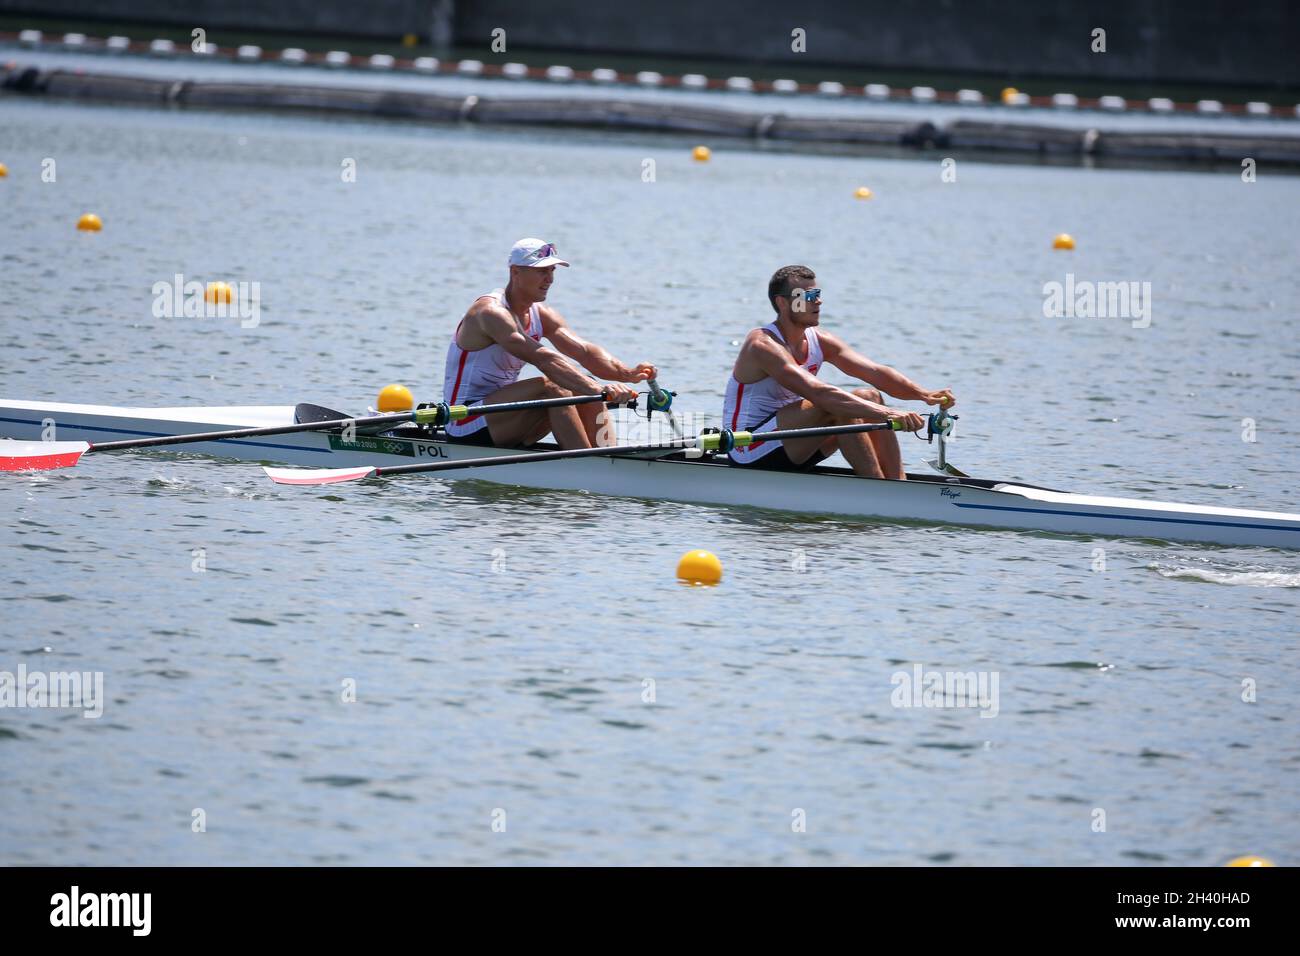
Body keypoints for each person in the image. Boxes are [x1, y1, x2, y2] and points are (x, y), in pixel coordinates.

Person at [721, 265, 955, 479]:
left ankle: (897, 483)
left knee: (869, 396)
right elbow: (819, 394)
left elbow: (876, 372)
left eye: (818, 294)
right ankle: (878, 489)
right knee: (836, 405)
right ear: (782, 303)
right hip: (748, 448)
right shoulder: (763, 345)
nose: (818, 301)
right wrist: (889, 413)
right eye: (808, 296)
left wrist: (923, 394)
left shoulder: (820, 340)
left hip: (791, 442)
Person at [442, 238, 656, 448]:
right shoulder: (490, 313)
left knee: (580, 384)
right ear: (515, 272)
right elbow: (543, 359)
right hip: (464, 420)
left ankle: (607, 455)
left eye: (552, 270)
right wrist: (598, 390)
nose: (550, 279)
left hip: (502, 416)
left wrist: (626, 373)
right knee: (555, 386)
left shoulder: (541, 315)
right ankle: (585, 463)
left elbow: (585, 352)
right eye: (542, 271)